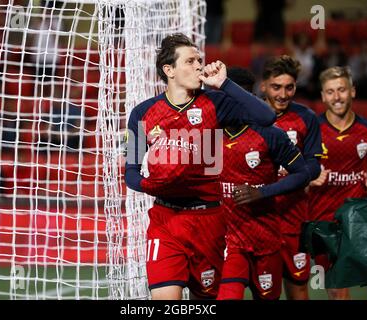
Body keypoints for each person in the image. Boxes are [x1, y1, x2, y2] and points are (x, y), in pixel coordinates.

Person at [124, 33, 276, 300]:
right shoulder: (142, 113)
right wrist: (152, 184)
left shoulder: (215, 103)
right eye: (190, 61)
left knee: (204, 299)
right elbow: (131, 172)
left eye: (199, 60)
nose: (198, 66)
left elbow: (266, 116)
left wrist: (224, 83)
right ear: (169, 70)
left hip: (208, 219)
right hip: (165, 219)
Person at [217, 67, 311, 300]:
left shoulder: (270, 134)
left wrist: (262, 192)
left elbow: (303, 174)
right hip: (229, 240)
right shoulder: (209, 134)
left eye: (244, 97)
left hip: (265, 238)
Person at [309, 66, 367, 300]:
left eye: (342, 90)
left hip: (358, 220)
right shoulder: (312, 130)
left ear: (353, 91)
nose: (337, 97)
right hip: (323, 222)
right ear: (323, 96)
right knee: (336, 290)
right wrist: (310, 178)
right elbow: (294, 171)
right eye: (331, 91)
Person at [259, 55, 322, 300]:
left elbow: (314, 166)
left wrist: (300, 177)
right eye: (276, 87)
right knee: (265, 292)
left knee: (298, 289)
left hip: (294, 219)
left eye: (289, 87)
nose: (283, 94)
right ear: (263, 86)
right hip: (260, 219)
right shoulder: (248, 117)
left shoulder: (306, 118)